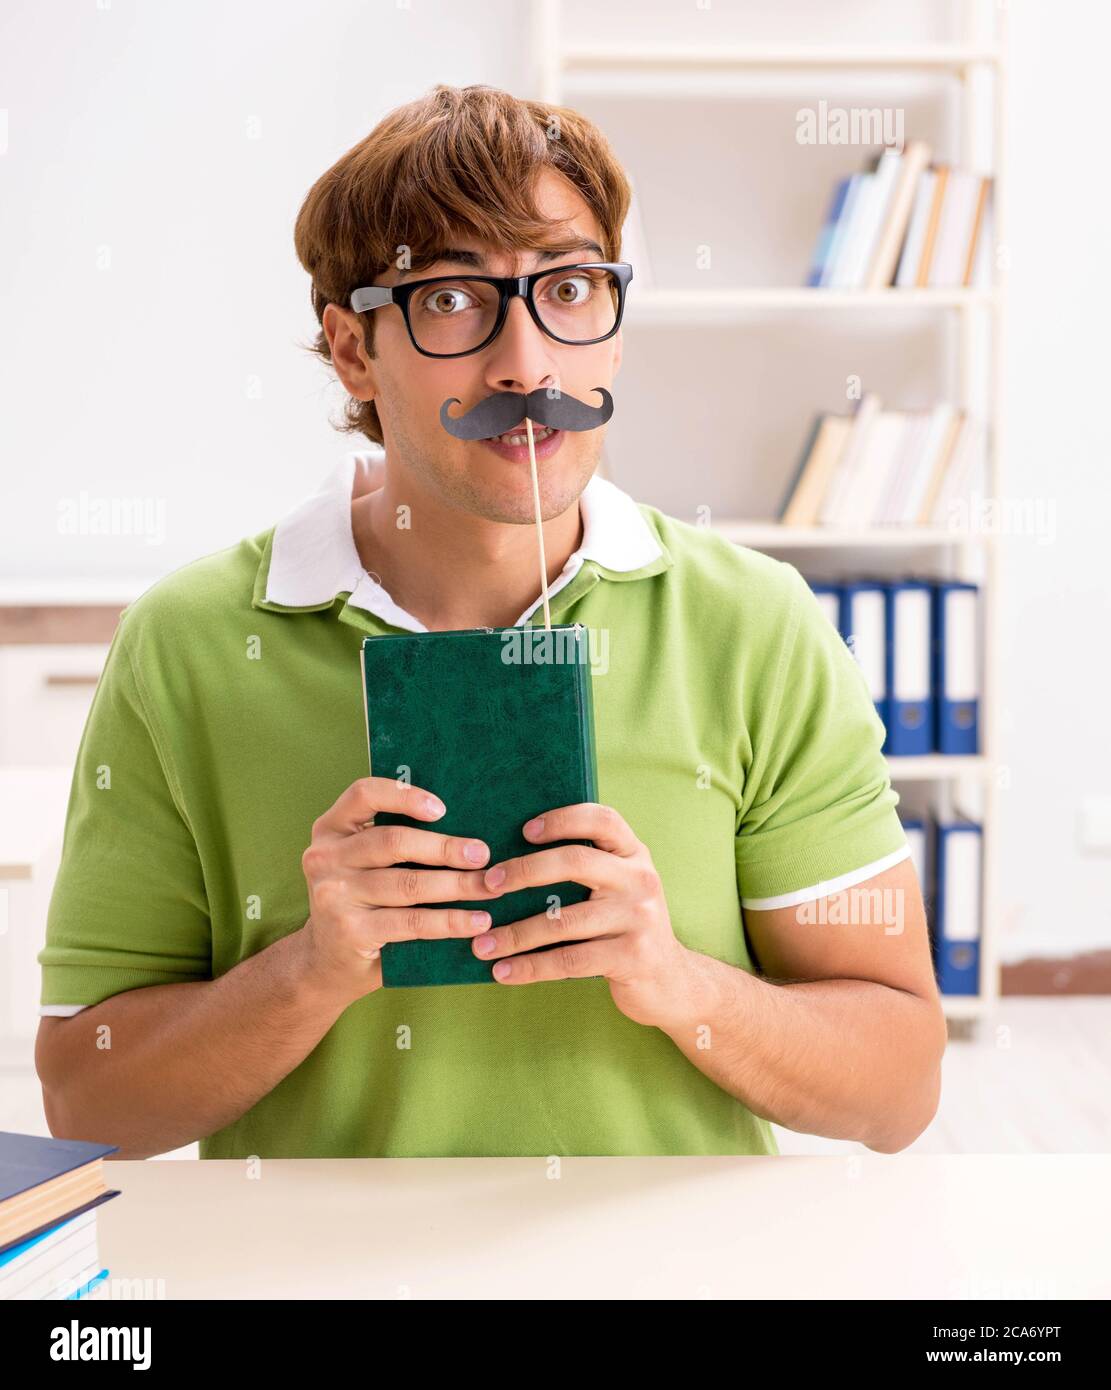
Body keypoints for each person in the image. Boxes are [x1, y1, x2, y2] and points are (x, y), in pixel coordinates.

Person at [36, 84, 945, 1160]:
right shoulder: (186, 645)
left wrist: (677, 980)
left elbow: (898, 1086)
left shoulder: (757, 627)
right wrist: (308, 971)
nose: (526, 364)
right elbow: (88, 1103)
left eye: (567, 288)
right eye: (455, 300)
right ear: (352, 349)